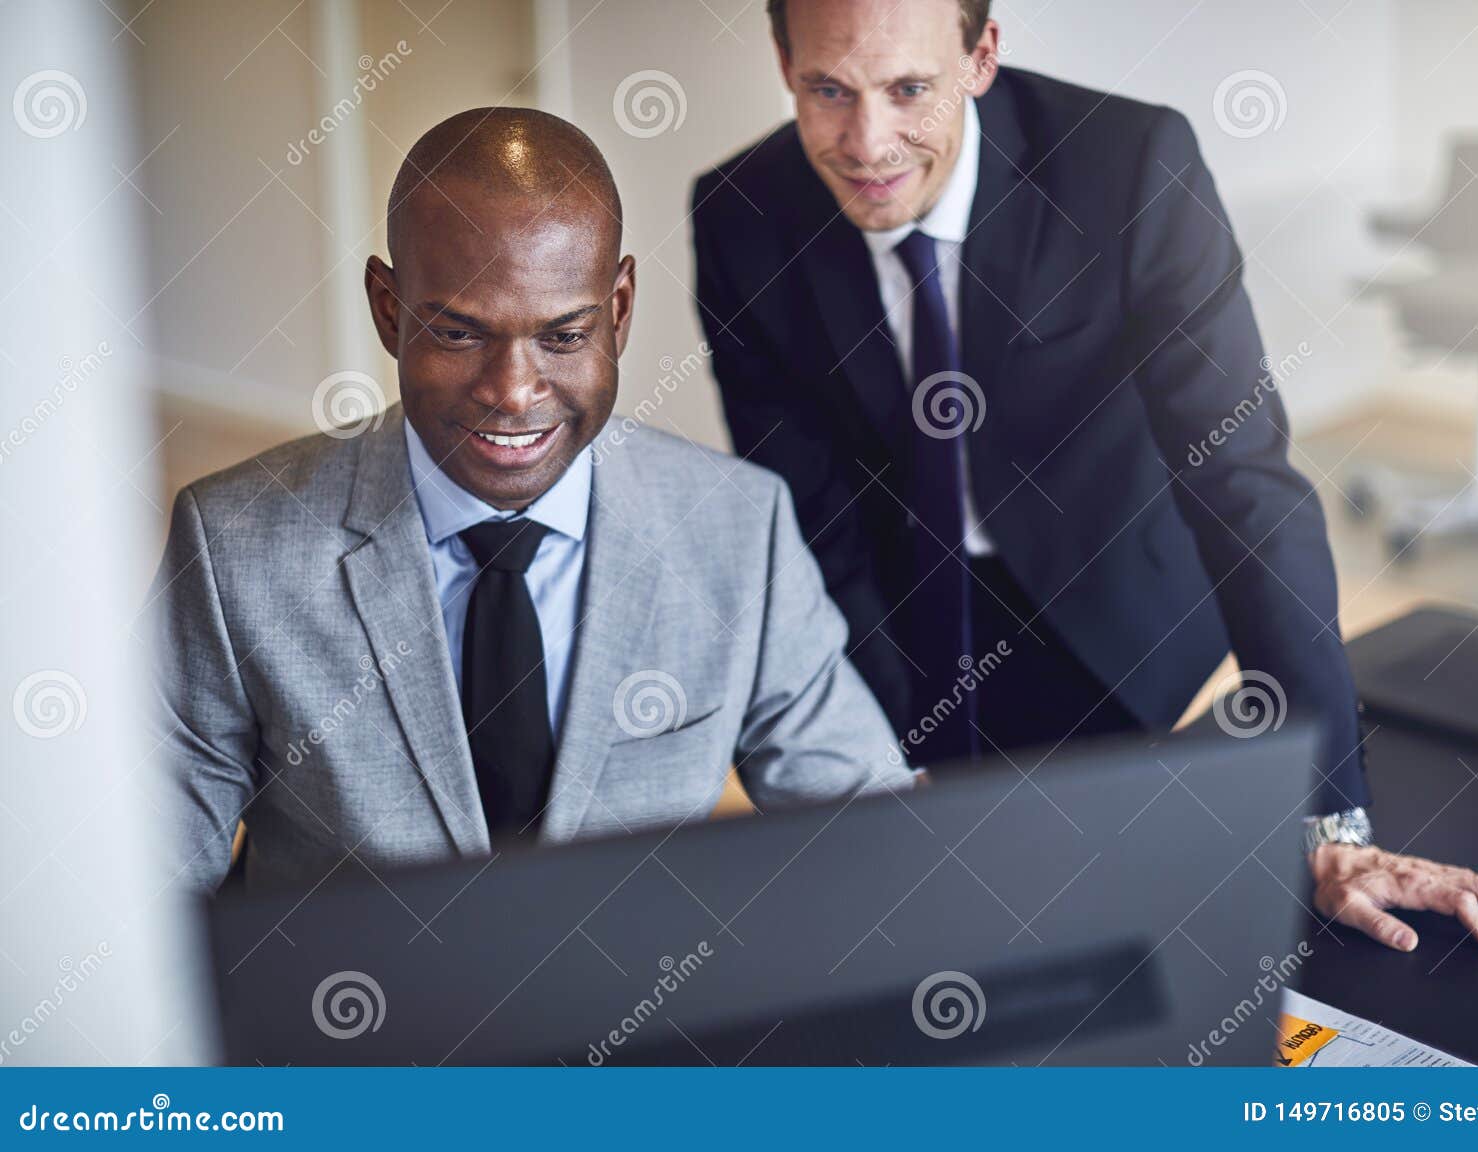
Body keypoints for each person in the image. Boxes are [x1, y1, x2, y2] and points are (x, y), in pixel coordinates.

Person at [690, 0, 1478, 953]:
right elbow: (812, 515)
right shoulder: (739, 216)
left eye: (910, 90)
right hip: (898, 603)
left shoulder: (1128, 165)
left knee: (1100, 916)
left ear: (983, 56)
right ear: (781, 61)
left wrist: (1331, 817)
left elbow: (1241, 479)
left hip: (1108, 602)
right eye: (828, 91)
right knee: (925, 919)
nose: (867, 142)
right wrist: (888, 747)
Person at [146, 108, 910, 894]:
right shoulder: (230, 549)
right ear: (387, 308)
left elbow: (869, 842)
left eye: (564, 337)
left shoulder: (740, 530)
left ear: (617, 310)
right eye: (457, 334)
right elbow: (140, 891)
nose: (512, 394)